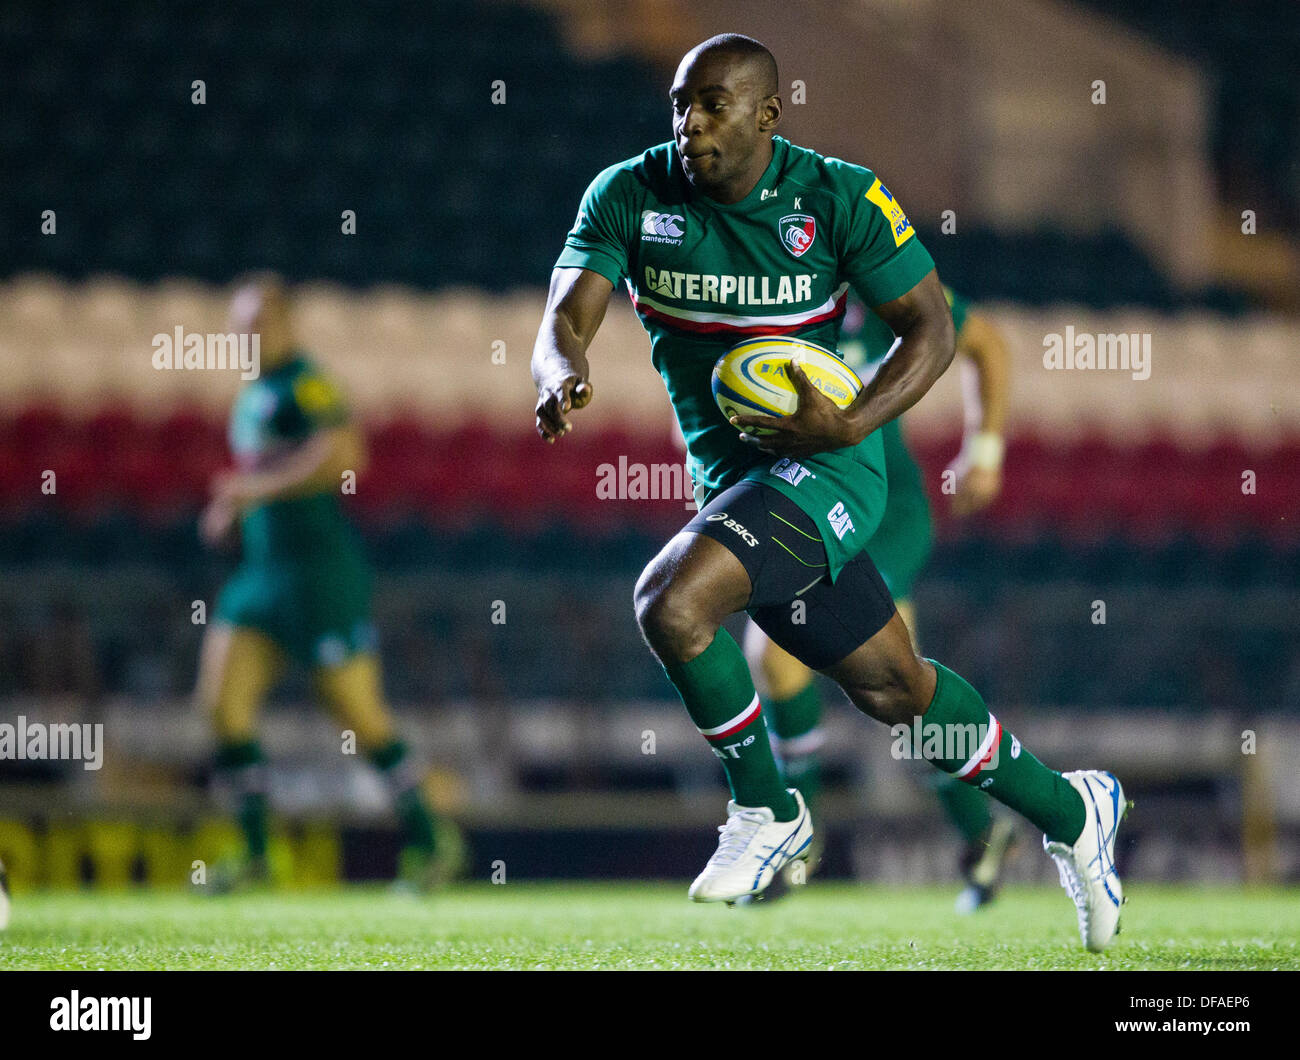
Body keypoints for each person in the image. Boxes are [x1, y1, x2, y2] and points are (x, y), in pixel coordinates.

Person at [531, 34, 1127, 950]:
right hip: (739, 481)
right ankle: (1076, 812)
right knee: (898, 691)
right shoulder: (630, 193)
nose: (690, 122)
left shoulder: (838, 195)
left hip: (837, 467)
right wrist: (557, 370)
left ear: (767, 113)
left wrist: (853, 425)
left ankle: (771, 811)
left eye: (713, 104)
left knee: (671, 601)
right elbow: (564, 317)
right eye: (681, 104)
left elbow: (932, 330)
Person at [745, 288, 1018, 911]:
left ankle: (797, 837)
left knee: (830, 671)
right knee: (884, 692)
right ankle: (983, 830)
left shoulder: (885, 282)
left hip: (884, 512)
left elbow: (986, 344)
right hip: (808, 504)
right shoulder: (770, 288)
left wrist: (986, 449)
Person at [196, 275, 446, 891]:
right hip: (263, 574)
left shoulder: (304, 382)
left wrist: (255, 489)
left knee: (360, 718)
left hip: (319, 574)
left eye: (257, 327)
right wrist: (235, 511)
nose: (248, 338)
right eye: (240, 329)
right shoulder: (251, 396)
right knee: (222, 707)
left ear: (284, 326)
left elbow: (345, 456)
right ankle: (257, 852)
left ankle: (432, 841)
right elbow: (267, 475)